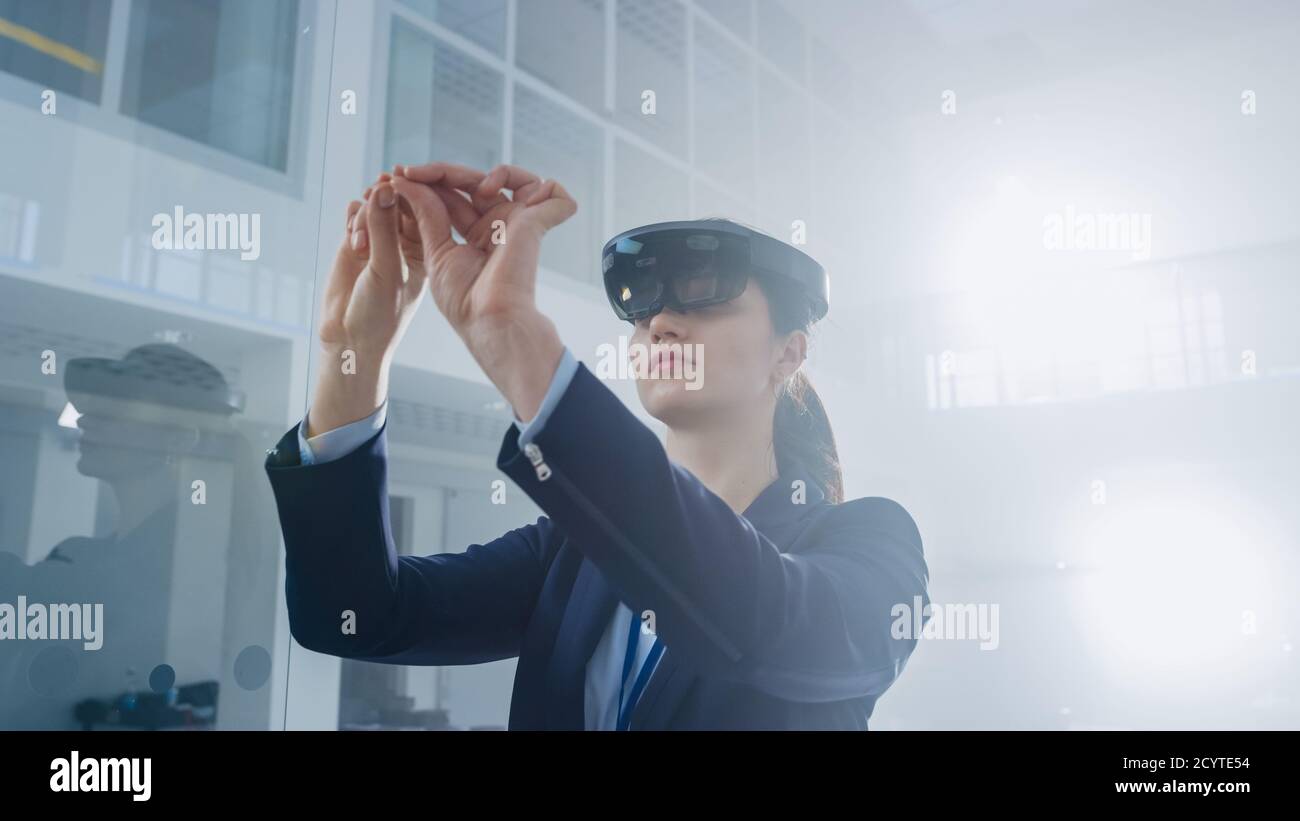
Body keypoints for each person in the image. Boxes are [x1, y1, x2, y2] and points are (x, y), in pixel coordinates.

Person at [263, 162, 931, 729]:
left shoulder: (872, 544)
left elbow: (757, 623)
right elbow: (354, 615)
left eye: (704, 295)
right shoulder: (574, 553)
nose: (662, 322)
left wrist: (521, 345)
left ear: (789, 353)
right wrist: (353, 355)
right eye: (644, 306)